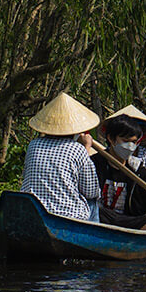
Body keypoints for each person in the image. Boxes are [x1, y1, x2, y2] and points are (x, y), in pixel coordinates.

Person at [19, 92, 100, 222]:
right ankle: (93, 237)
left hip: (31, 211)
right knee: (93, 200)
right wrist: (87, 148)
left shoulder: (33, 145)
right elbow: (91, 191)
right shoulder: (77, 149)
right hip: (67, 217)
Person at [94, 113, 146, 230]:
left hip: (129, 221)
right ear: (111, 138)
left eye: (134, 142)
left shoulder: (138, 169)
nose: (130, 147)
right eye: (125, 141)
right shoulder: (96, 163)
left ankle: (129, 242)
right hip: (102, 217)